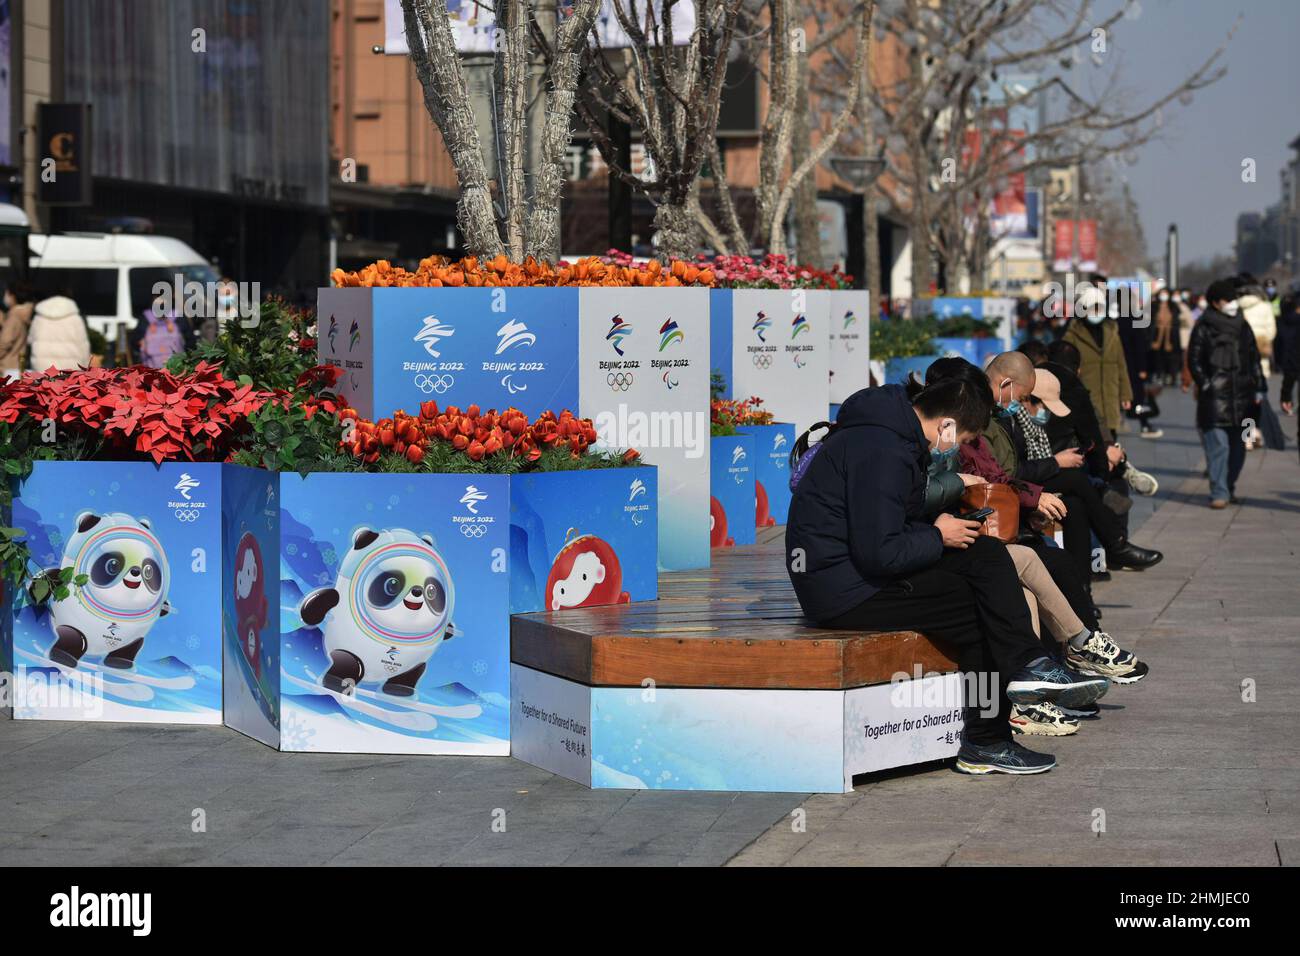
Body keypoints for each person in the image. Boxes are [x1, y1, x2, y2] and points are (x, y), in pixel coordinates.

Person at [786, 376, 1108, 775]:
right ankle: (992, 733)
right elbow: (879, 553)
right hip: (844, 591)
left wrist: (937, 528)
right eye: (963, 437)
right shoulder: (883, 450)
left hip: (856, 572)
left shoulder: (889, 435)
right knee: (981, 606)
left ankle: (1027, 668)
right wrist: (938, 535)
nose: (956, 447)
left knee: (988, 555)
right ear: (947, 425)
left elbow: (885, 525)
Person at [1187, 277, 1265, 508]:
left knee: (1240, 446)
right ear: (1215, 303)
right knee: (1218, 447)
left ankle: (1229, 486)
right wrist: (1206, 383)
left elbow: (1253, 358)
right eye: (1226, 299)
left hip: (1245, 398)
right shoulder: (1203, 326)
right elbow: (1194, 359)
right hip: (1214, 399)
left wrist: (1258, 385)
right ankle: (1219, 492)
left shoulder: (1243, 325)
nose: (1232, 303)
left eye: (1233, 298)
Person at [1063, 280, 1135, 440]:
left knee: (1111, 443)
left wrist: (1126, 395)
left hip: (1110, 398)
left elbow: (1121, 365)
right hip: (1087, 401)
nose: (1096, 312)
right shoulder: (1072, 335)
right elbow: (1065, 369)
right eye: (1092, 308)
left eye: (1099, 308)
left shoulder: (1112, 333)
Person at [27, 293, 91, 372]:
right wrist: (85, 368)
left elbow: (30, 341)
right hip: (71, 370)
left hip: (43, 369)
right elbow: (84, 346)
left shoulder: (39, 318)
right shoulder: (75, 318)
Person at [0, 280, 36, 380]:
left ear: (13, 296)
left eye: (7, 293)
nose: (5, 297)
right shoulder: (23, 315)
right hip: (17, 367)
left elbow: (4, 343)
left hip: (7, 370)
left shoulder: (14, 318)